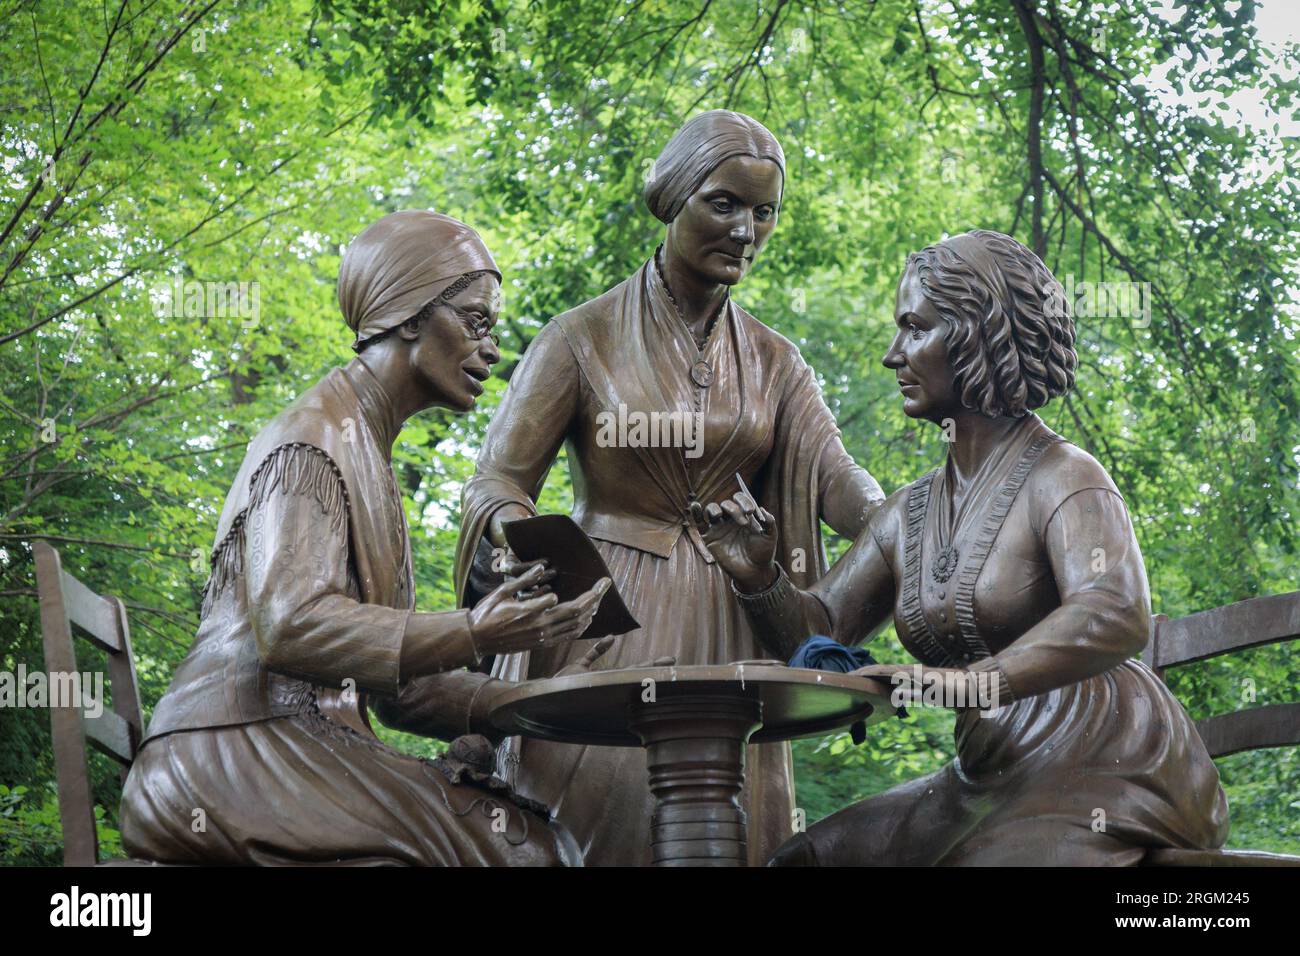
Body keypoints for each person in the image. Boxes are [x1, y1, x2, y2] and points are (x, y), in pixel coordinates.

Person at [693, 229, 1230, 865]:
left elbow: (1114, 612)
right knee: (804, 861)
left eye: (916, 329)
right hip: (988, 775)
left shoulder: (1065, 475)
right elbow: (821, 630)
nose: (893, 355)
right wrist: (760, 576)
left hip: (1101, 763)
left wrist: (962, 686)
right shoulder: (908, 513)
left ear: (981, 334)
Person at [453, 110, 885, 865]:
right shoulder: (579, 337)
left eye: (764, 212)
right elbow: (498, 478)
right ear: (672, 199)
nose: (746, 230)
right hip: (602, 618)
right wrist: (522, 543)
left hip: (733, 621)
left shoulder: (778, 362)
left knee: (729, 831)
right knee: (589, 826)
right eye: (724, 203)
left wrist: (899, 522)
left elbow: (835, 476)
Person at [120, 210, 611, 866]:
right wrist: (473, 631)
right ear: (408, 316)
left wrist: (539, 694)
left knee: (536, 844)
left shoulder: (367, 455)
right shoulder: (313, 440)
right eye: (474, 321)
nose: (492, 349)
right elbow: (291, 625)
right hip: (231, 752)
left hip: (298, 743)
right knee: (526, 855)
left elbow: (398, 692)